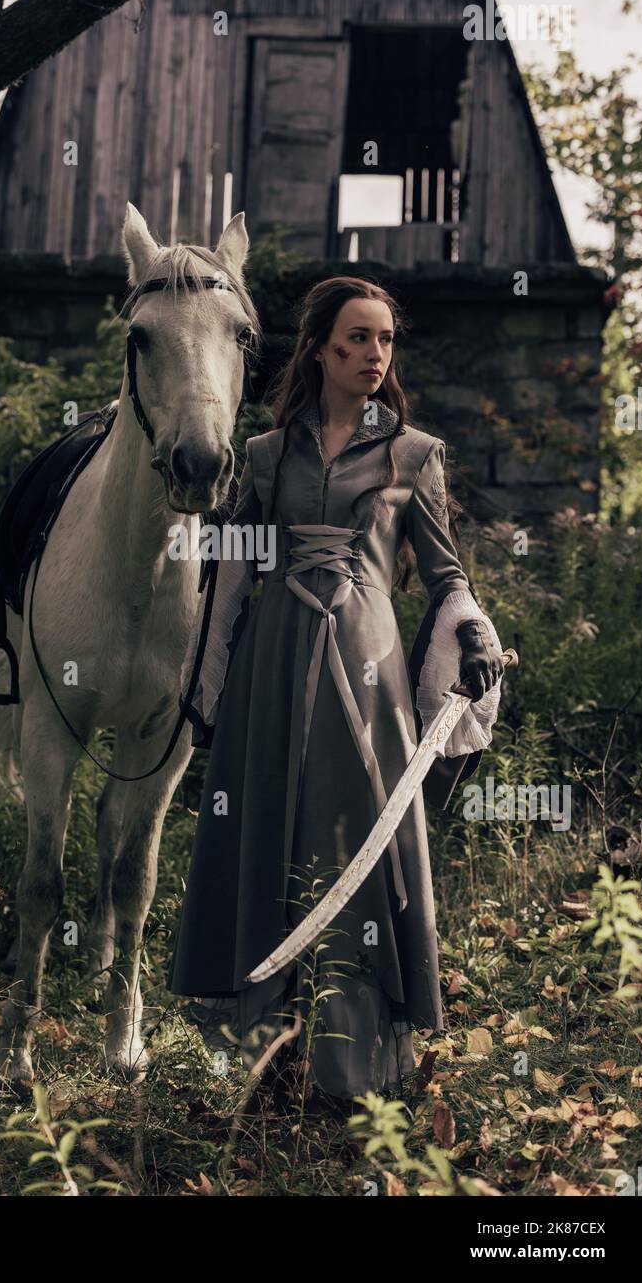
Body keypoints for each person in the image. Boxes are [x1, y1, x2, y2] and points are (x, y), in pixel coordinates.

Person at [167, 276, 507, 1108]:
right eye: (357, 338)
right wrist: (204, 681)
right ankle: (263, 1061)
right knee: (266, 828)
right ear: (320, 347)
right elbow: (236, 569)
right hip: (272, 668)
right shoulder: (265, 456)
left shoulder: (413, 455)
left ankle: (347, 1071)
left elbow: (445, 573)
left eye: (385, 339)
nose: (374, 354)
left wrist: (470, 633)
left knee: (352, 835)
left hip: (370, 664)